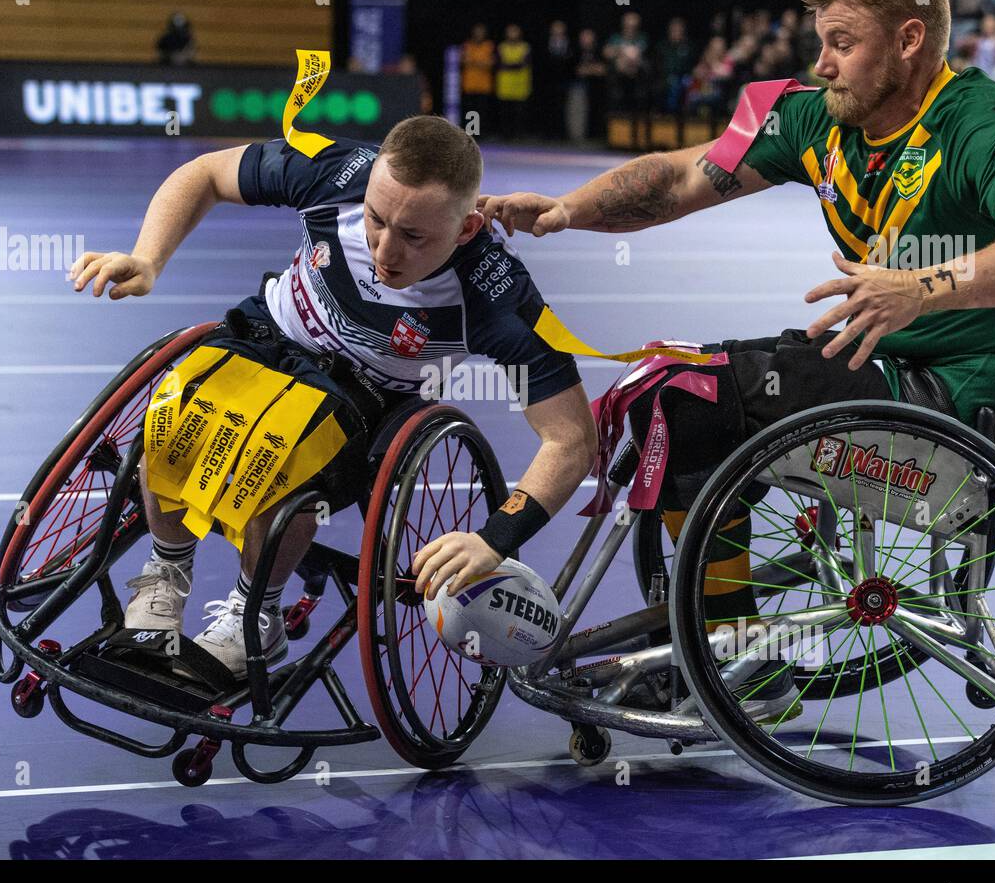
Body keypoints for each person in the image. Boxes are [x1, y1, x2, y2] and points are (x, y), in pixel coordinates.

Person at [478, 0, 995, 708]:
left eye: (843, 42)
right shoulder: (822, 121)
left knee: (686, 399)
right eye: (821, 42)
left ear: (909, 39)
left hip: (950, 399)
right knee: (674, 381)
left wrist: (921, 287)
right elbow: (681, 175)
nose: (823, 63)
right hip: (873, 365)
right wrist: (567, 210)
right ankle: (730, 637)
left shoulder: (978, 124)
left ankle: (740, 665)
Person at [67, 116, 597, 675]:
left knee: (284, 472)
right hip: (269, 335)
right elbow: (206, 173)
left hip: (362, 397)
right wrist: (148, 257)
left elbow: (570, 439)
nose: (384, 249)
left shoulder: (496, 295)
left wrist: (494, 538)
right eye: (376, 219)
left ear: (466, 229)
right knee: (171, 422)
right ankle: (165, 576)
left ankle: (256, 614)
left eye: (413, 236)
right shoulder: (336, 172)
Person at [495, 23, 533, 140]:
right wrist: (515, 64)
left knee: (519, 112)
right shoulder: (501, 47)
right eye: (510, 32)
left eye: (515, 31)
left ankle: (519, 134)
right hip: (505, 84)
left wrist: (508, 65)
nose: (512, 34)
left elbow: (524, 63)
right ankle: (505, 134)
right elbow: (499, 63)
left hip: (520, 84)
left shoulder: (525, 47)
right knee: (505, 111)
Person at [460, 24, 497, 136]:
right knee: (470, 110)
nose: (478, 34)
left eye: (481, 32)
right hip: (469, 84)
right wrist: (480, 62)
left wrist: (474, 62)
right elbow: (463, 61)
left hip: (484, 85)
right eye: (477, 31)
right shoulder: (467, 45)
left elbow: (491, 63)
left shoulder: (489, 46)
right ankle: (471, 132)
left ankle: (482, 133)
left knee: (482, 111)